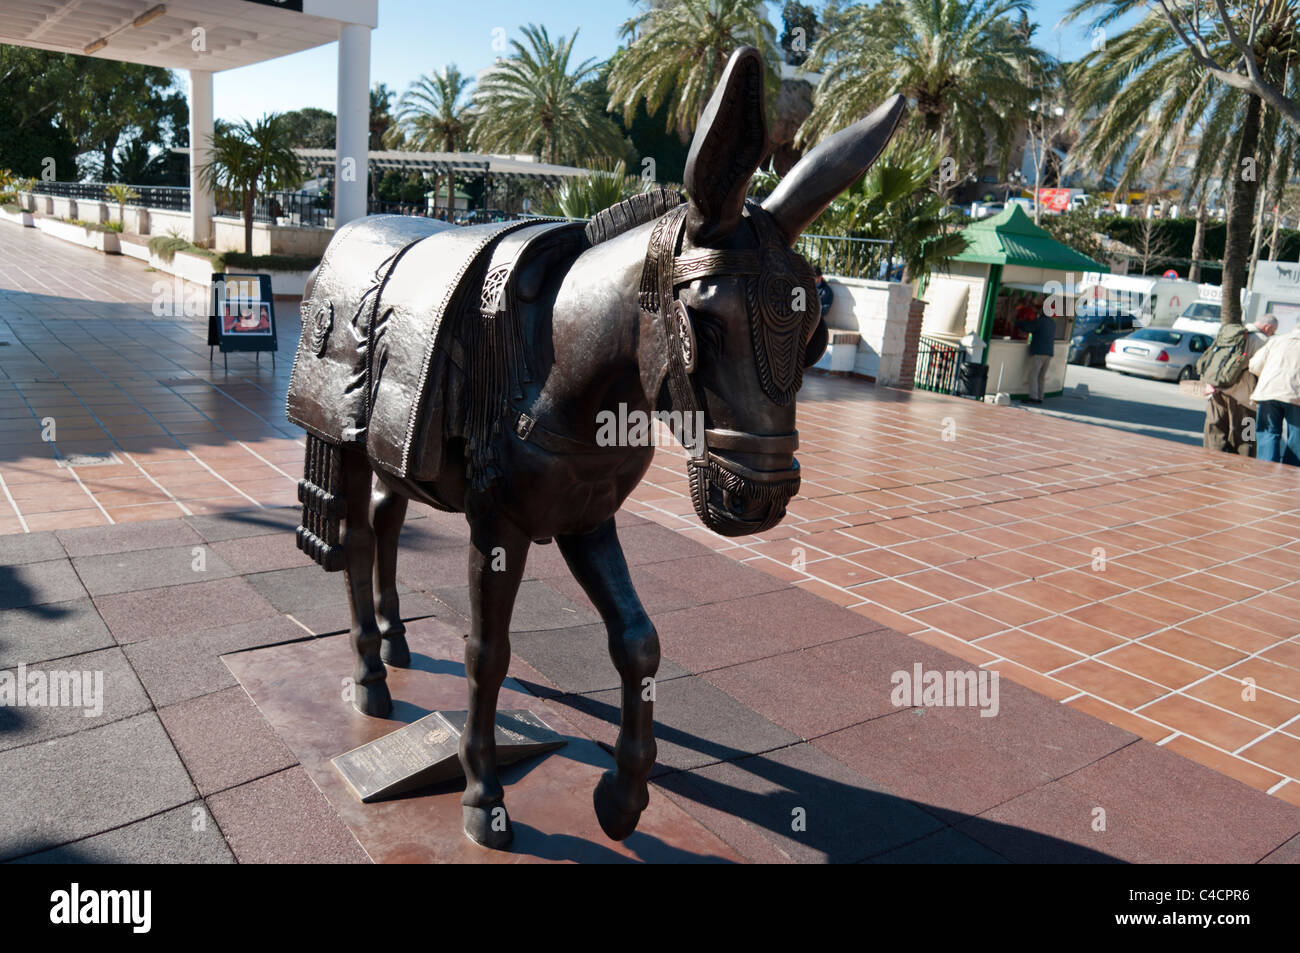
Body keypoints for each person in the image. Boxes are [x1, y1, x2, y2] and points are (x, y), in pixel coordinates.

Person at [1203, 316, 1274, 455]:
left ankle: (1212, 459)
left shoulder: (1229, 333)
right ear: (1268, 328)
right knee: (1246, 434)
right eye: (1273, 331)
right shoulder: (1263, 341)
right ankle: (1243, 464)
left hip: (1218, 388)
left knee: (1216, 428)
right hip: (1244, 396)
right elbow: (1262, 369)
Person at [1249, 315, 1300, 464]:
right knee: (1296, 436)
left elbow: (1254, 365)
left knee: (1267, 433)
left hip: (1268, 391)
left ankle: (1265, 469)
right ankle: (1290, 471)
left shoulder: (1277, 340)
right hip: (1296, 395)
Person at [1014, 293, 1055, 403]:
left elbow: (1029, 328)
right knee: (1041, 376)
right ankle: (1040, 397)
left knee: (1033, 375)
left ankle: (1033, 397)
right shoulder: (1052, 323)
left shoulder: (1040, 321)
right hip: (1049, 353)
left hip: (1039, 352)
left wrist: (1017, 322)